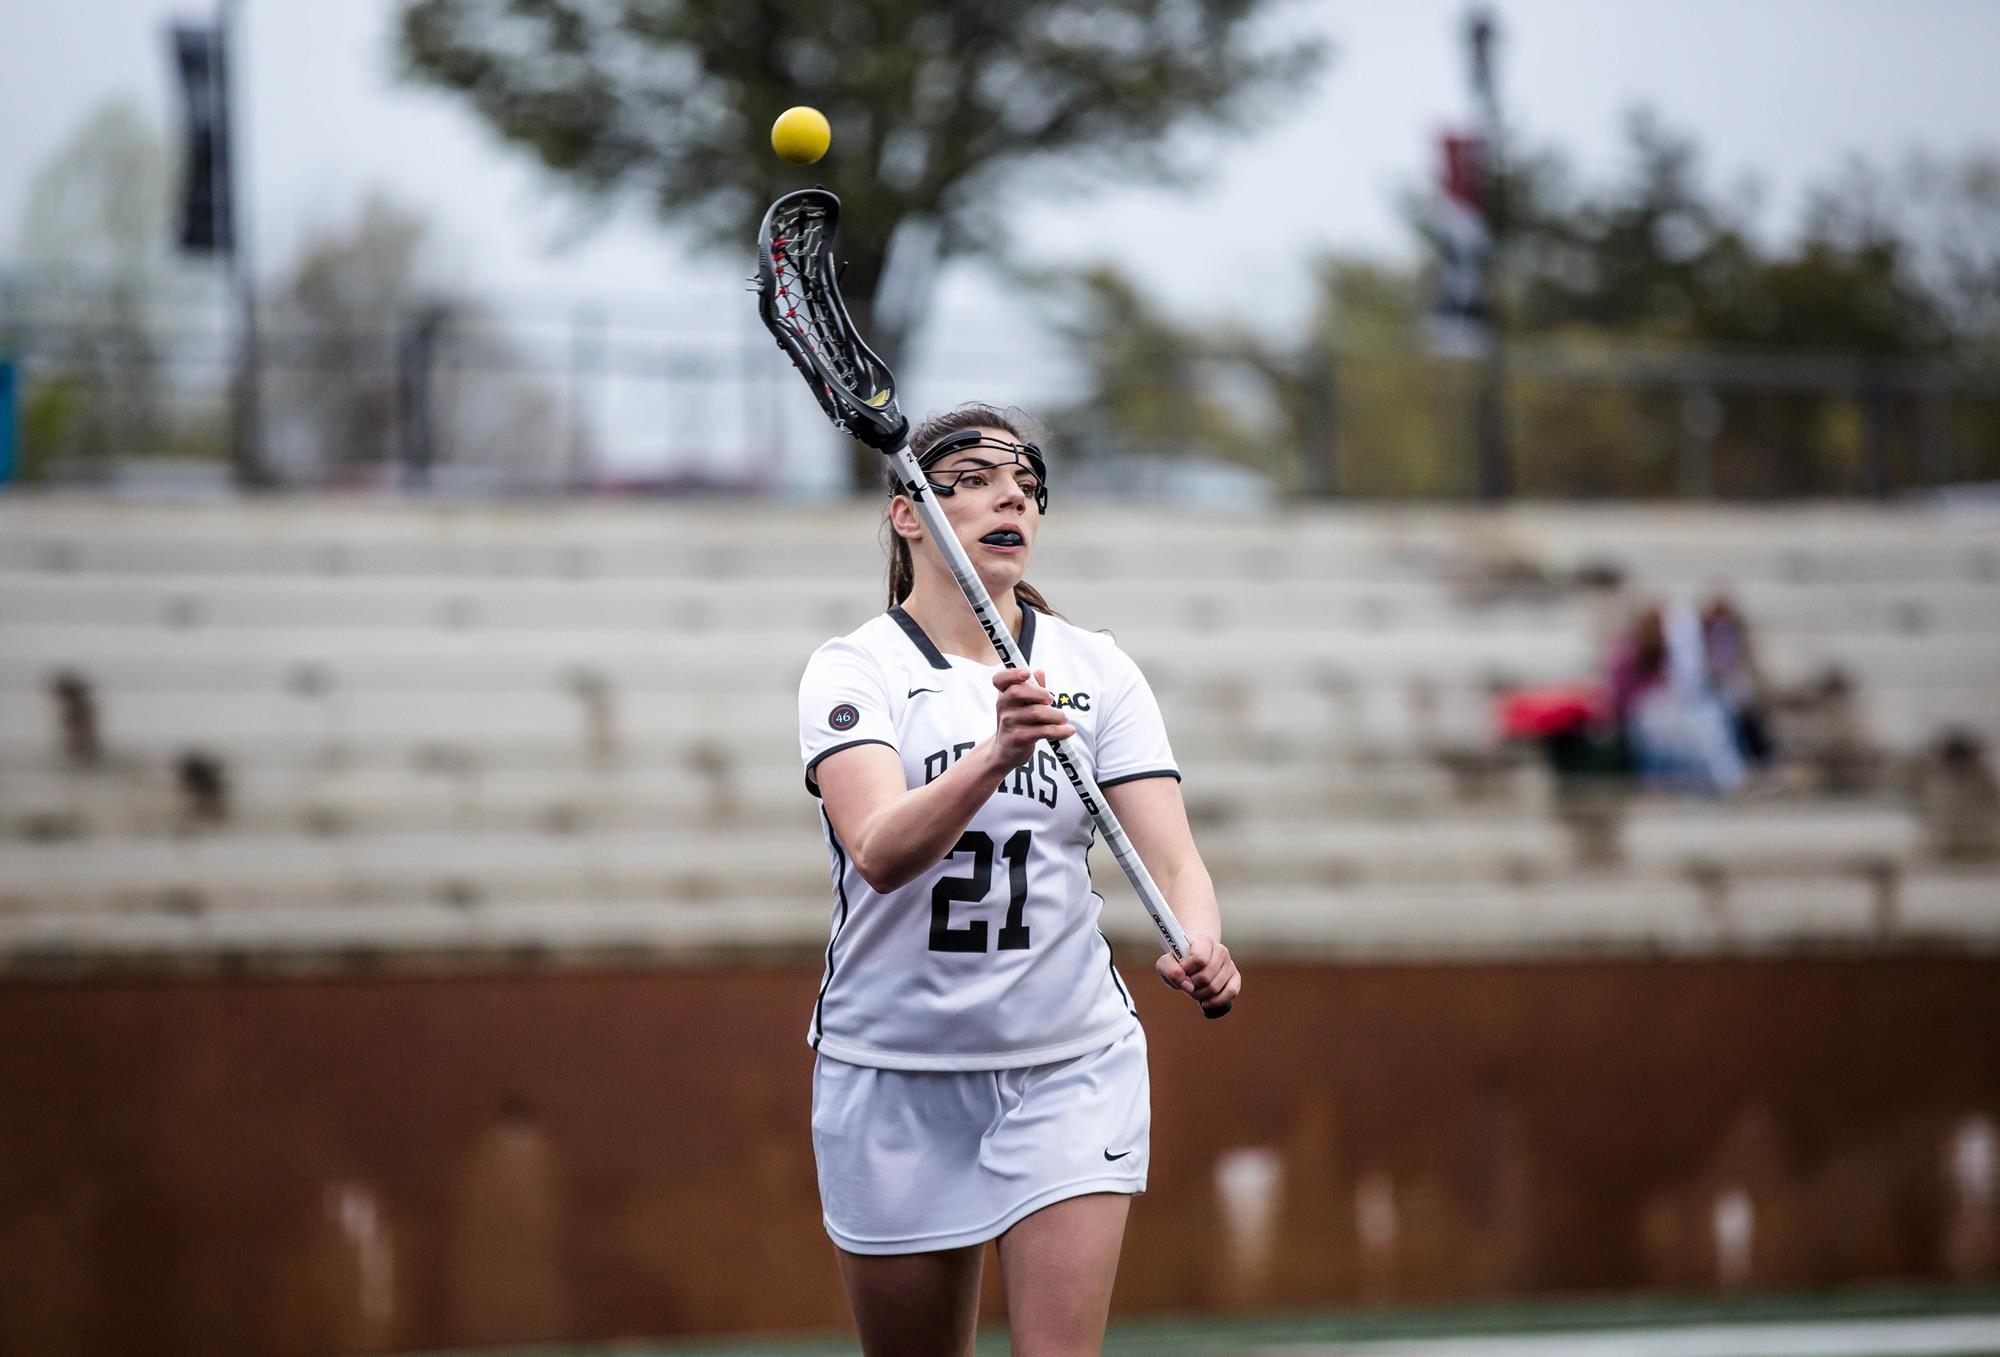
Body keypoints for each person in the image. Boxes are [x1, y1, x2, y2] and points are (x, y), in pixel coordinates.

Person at [796, 404, 1239, 1356]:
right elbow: (878, 850)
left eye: (1028, 486)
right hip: (893, 1069)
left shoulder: (1096, 668)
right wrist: (995, 754)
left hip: (1068, 1061)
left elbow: (1173, 858)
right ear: (907, 513)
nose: (1013, 500)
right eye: (977, 480)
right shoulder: (856, 669)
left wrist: (1200, 935)